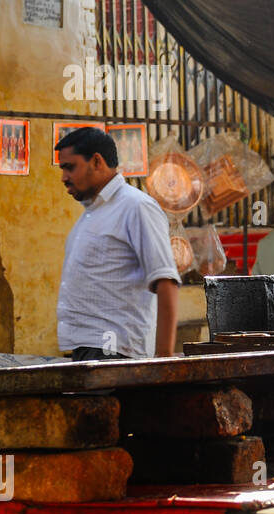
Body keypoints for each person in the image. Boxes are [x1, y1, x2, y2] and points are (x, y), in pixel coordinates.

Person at [55, 126, 180, 360]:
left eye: (70, 167)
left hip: (116, 351)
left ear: (97, 161)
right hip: (88, 348)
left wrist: (164, 360)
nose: (64, 178)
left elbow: (166, 282)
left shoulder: (136, 207)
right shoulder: (91, 214)